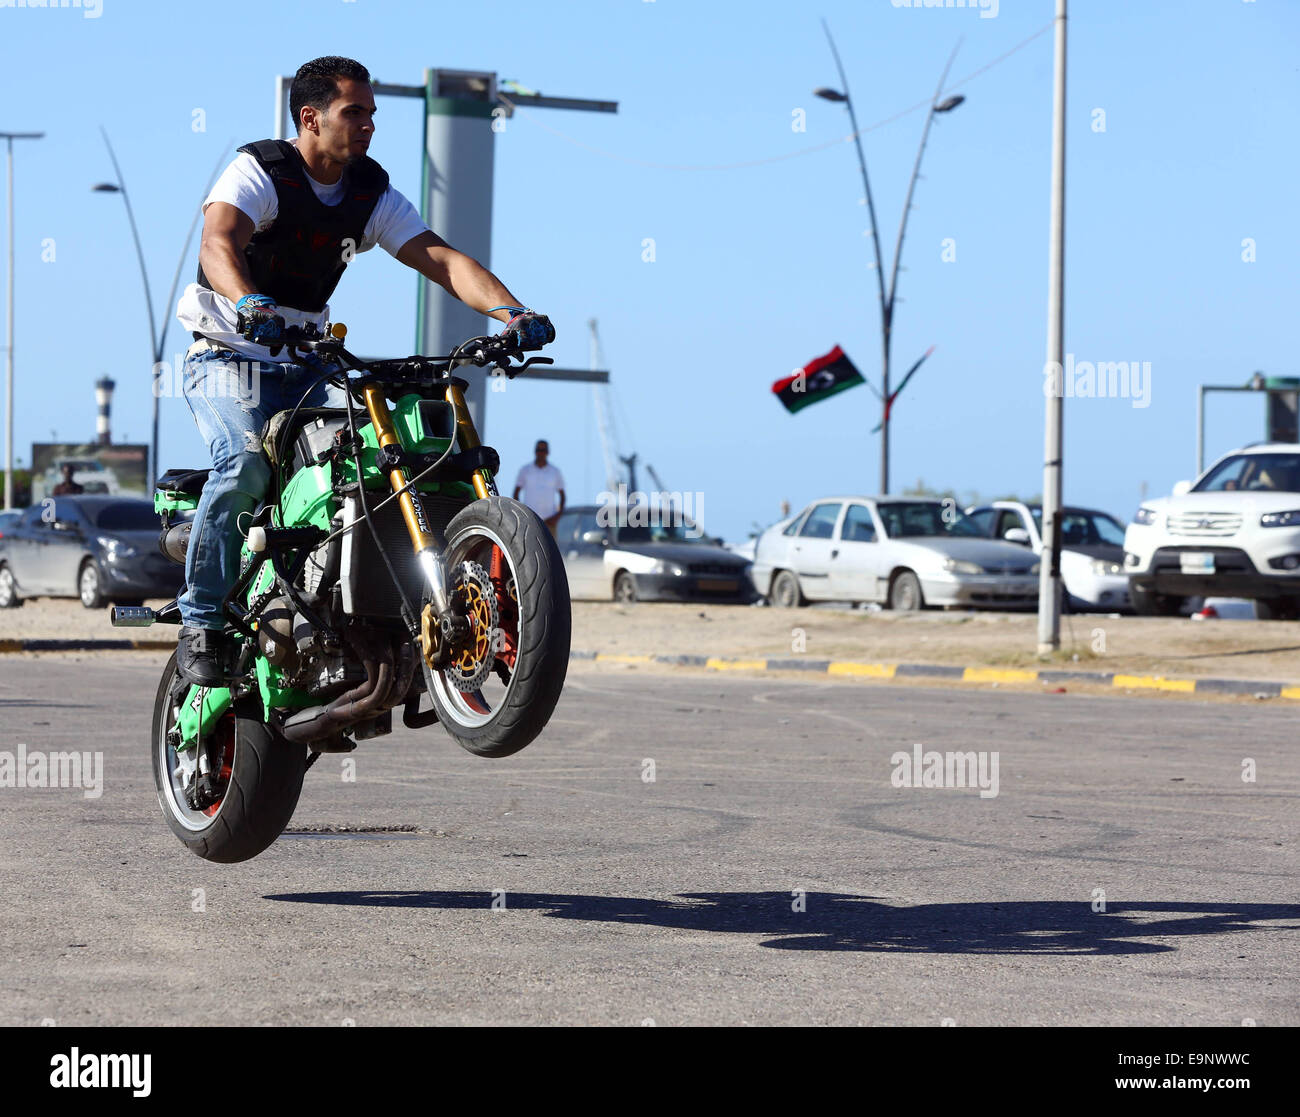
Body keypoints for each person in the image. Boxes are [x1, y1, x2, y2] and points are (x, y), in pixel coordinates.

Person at [172, 56, 554, 686]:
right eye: (354, 113)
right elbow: (218, 242)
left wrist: (512, 314)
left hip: (307, 360)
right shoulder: (263, 171)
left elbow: (441, 258)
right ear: (310, 117)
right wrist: (248, 303)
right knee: (243, 462)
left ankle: (351, 609)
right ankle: (204, 620)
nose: (368, 125)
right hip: (228, 352)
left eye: (373, 114)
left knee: (375, 460)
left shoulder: (367, 190)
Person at [512, 440, 565, 534]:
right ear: (535, 451)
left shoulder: (555, 472)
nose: (540, 452)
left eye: (543, 450)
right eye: (538, 449)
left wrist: (557, 516)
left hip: (549, 521)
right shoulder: (525, 470)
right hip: (530, 520)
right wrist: (521, 513)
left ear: (547, 452)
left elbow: (562, 495)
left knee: (550, 548)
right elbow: (516, 492)